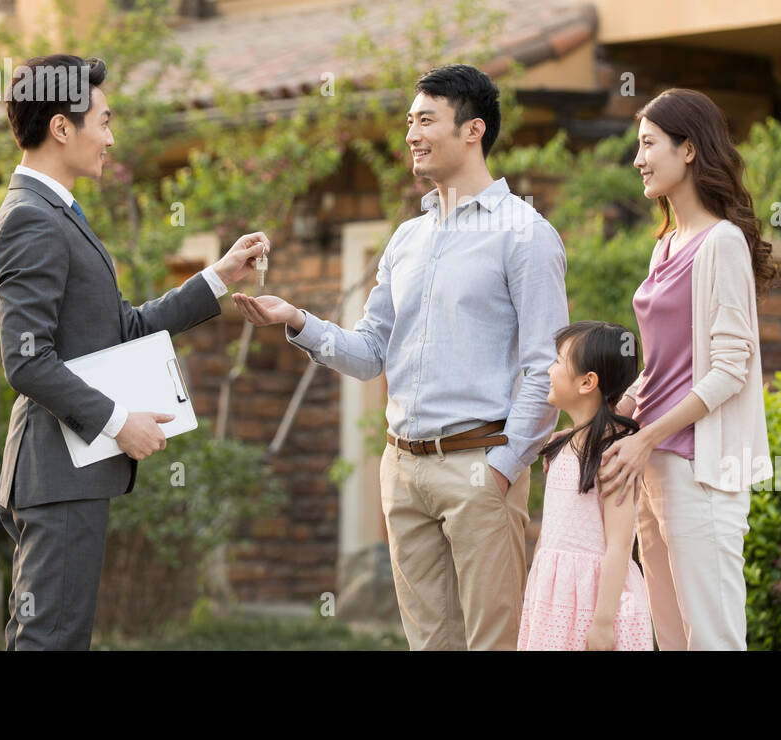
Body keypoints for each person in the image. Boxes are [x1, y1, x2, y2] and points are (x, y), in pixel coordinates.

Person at [233, 63, 568, 650]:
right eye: (409, 121)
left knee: (494, 641)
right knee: (428, 644)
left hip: (480, 463)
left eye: (426, 120)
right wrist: (297, 320)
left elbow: (546, 368)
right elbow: (369, 355)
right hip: (403, 469)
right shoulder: (406, 240)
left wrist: (505, 467)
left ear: (473, 130)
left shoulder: (525, 234)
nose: (411, 134)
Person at [0, 54, 269, 650]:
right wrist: (118, 423)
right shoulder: (32, 220)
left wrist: (217, 277)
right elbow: (26, 360)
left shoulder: (56, 214)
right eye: (105, 121)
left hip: (70, 475)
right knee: (51, 641)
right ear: (62, 127)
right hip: (58, 471)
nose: (111, 138)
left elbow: (126, 326)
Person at [600, 88, 778, 651]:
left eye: (649, 144)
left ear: (690, 149)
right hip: (653, 465)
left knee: (713, 638)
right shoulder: (666, 246)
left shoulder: (722, 244)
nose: (639, 159)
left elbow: (730, 369)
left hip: (698, 469)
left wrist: (647, 436)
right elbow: (665, 365)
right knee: (671, 638)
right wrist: (614, 414)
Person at [518, 321, 653, 651]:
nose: (549, 370)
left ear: (587, 382)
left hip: (598, 604)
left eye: (558, 361)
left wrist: (604, 622)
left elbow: (620, 544)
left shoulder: (612, 455)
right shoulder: (562, 447)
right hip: (554, 600)